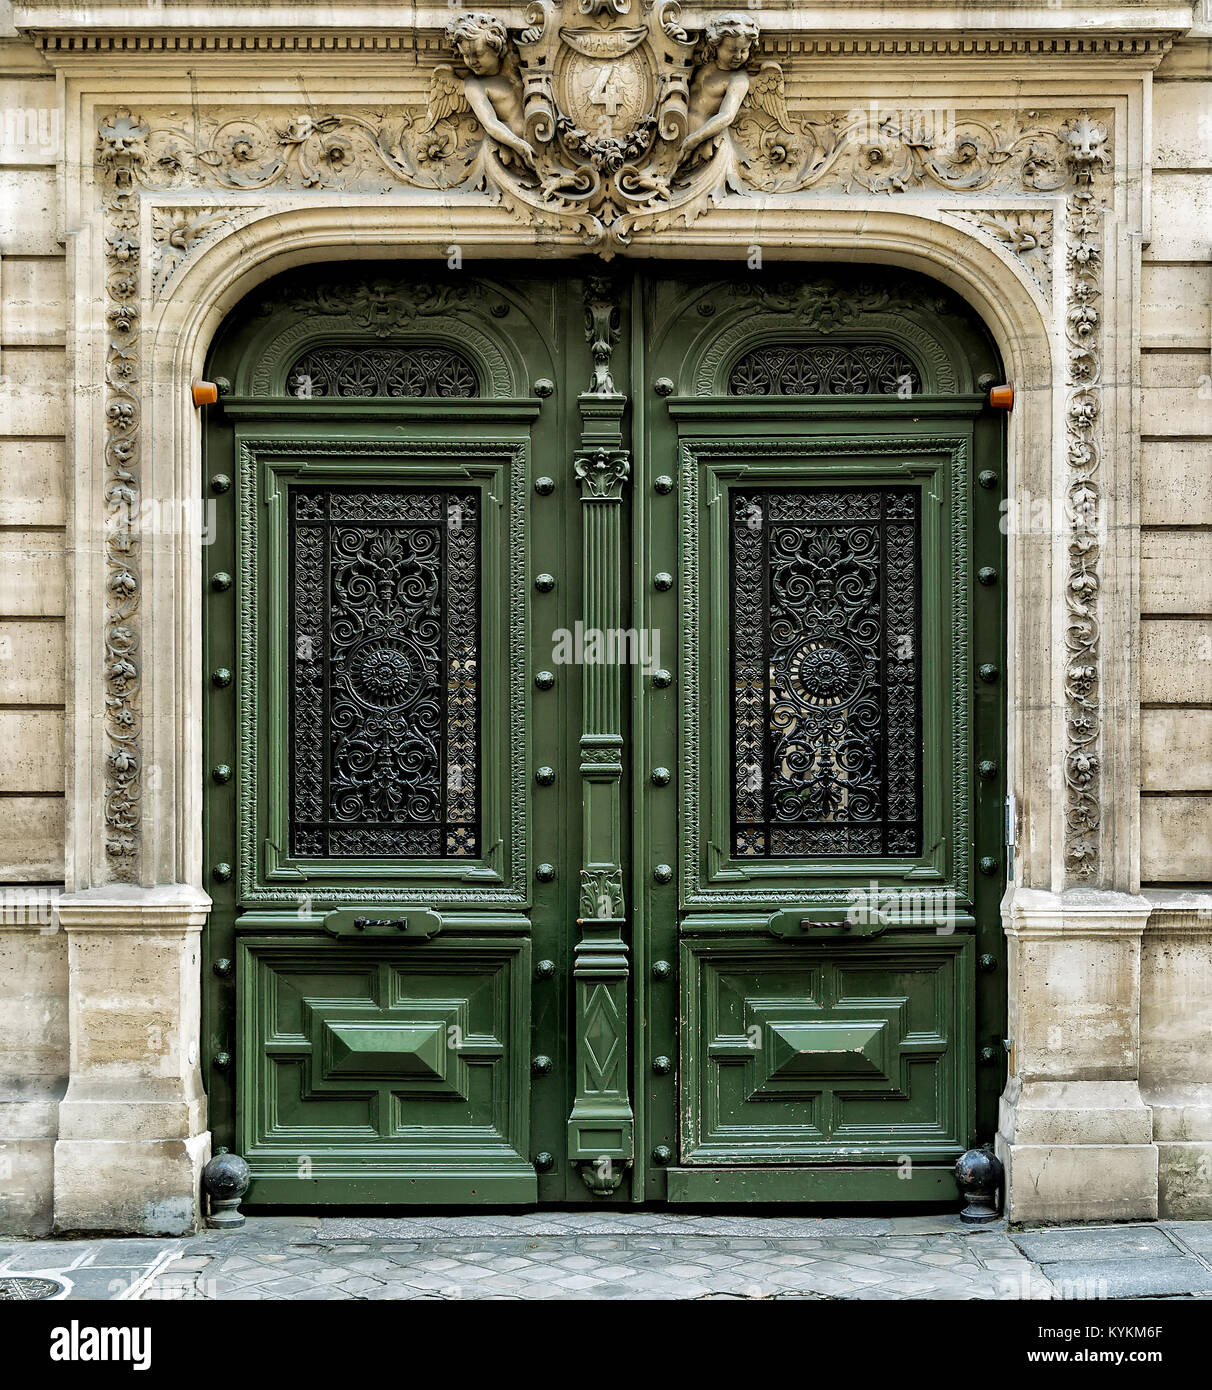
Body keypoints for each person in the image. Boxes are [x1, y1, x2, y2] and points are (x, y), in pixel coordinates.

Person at [680, 13, 760, 164]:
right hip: (676, 130)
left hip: (701, 144)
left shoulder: (738, 79)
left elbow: (727, 115)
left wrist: (696, 139)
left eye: (744, 50)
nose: (738, 56)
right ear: (715, 45)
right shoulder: (702, 65)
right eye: (732, 50)